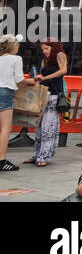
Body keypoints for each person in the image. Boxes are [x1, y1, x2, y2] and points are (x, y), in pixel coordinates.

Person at [30, 39, 68, 167]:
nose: (44, 51)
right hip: (44, 93)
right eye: (43, 49)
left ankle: (44, 156)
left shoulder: (60, 55)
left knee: (49, 126)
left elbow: (63, 71)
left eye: (46, 48)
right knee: (40, 126)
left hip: (54, 94)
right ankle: (37, 155)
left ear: (53, 47)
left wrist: (45, 77)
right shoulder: (45, 60)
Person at [0, 35, 31, 172]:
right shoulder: (16, 59)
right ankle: (1, 160)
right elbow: (19, 79)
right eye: (17, 45)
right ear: (12, 46)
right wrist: (31, 81)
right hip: (5, 92)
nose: (18, 47)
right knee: (6, 128)